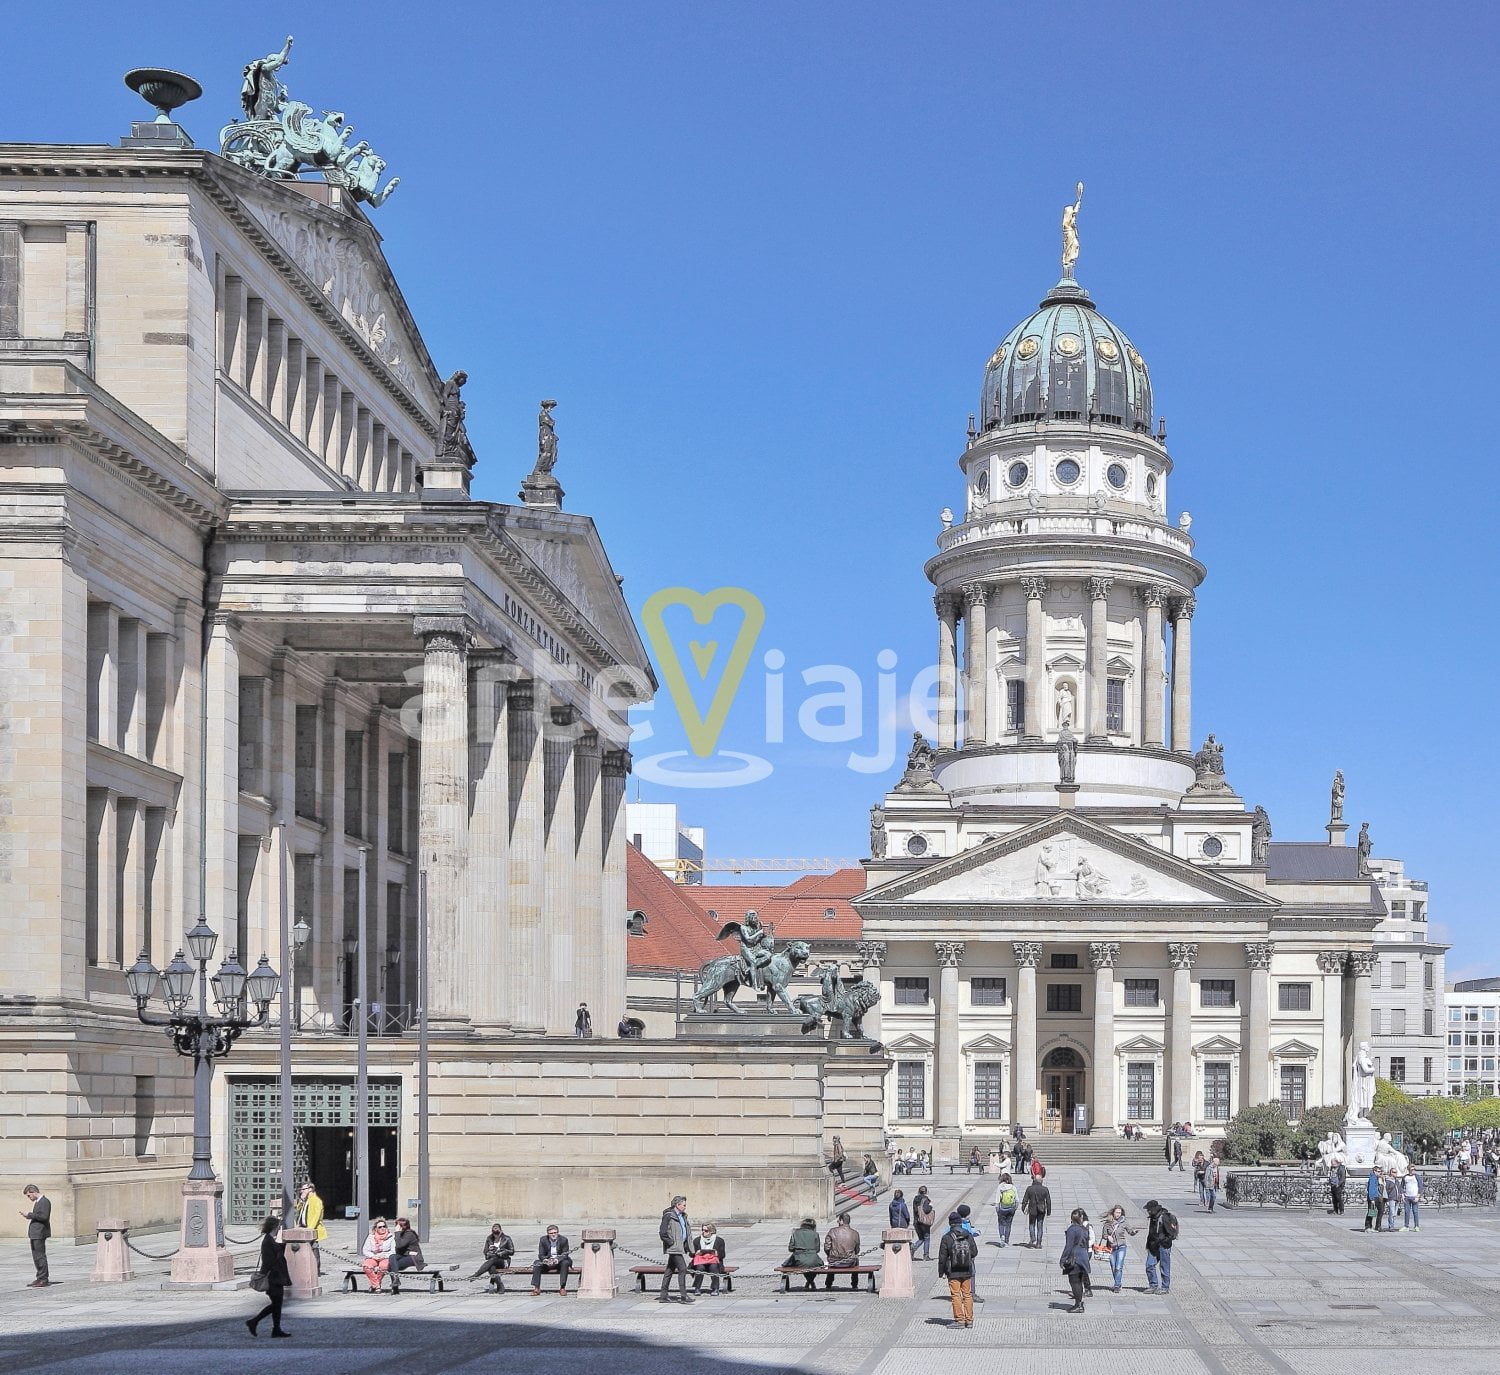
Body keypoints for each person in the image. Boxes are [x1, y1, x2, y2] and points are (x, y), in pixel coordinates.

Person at [246, 1215, 292, 1338]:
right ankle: (254, 1322)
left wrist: (282, 1246)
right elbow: (268, 1261)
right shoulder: (267, 1241)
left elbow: (276, 1252)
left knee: (277, 1304)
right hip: (272, 1278)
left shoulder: (270, 1240)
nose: (279, 1229)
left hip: (276, 1277)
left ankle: (276, 1329)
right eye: (278, 1226)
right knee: (276, 1304)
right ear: (274, 1227)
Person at [937, 1210, 977, 1328]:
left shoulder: (947, 1237)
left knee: (956, 1295)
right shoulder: (968, 1234)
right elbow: (974, 1252)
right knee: (967, 1294)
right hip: (967, 1270)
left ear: (950, 1224)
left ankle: (959, 1320)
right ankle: (969, 1320)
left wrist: (941, 1272)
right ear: (960, 1222)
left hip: (953, 1271)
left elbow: (942, 1257)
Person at [657, 1195, 694, 1303]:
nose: (685, 1207)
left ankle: (663, 1296)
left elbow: (685, 1231)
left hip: (680, 1246)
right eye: (684, 1205)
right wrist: (671, 1242)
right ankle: (683, 1296)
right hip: (674, 1248)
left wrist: (688, 1246)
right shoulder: (669, 1216)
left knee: (669, 1270)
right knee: (683, 1269)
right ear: (677, 1205)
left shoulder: (682, 1216)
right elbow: (663, 1232)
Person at [1060, 1207, 1092, 1313]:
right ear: (1081, 1218)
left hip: (1075, 1257)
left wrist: (1063, 1259)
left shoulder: (1072, 1229)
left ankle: (1078, 1305)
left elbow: (1068, 1246)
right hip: (1083, 1256)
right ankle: (1079, 1303)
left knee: (1074, 1282)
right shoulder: (1084, 1229)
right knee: (1079, 1280)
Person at [1102, 1204, 1138, 1292]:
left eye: (1120, 1213)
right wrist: (1107, 1237)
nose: (1118, 1214)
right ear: (1113, 1212)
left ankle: (1117, 1286)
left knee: (1118, 1267)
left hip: (1122, 1247)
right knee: (1114, 1267)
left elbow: (1130, 1231)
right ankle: (1118, 1283)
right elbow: (1104, 1235)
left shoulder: (1124, 1222)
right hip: (1111, 1248)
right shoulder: (1107, 1223)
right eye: (1117, 1212)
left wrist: (1134, 1232)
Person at [1144, 1199, 1178, 1293]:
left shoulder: (1164, 1217)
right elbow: (1151, 1233)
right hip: (1153, 1246)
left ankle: (1165, 1287)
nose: (1148, 1211)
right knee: (1149, 1265)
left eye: (1149, 1209)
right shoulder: (1153, 1217)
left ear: (1154, 1209)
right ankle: (1153, 1285)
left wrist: (1163, 1242)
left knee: (1164, 1267)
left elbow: (1171, 1234)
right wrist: (1148, 1244)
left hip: (1164, 1246)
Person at [823, 1211, 862, 1289]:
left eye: (838, 1221)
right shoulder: (855, 1233)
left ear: (841, 1221)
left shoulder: (832, 1231)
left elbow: (827, 1248)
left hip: (834, 1262)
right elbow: (857, 1250)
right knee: (856, 1259)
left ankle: (828, 1283)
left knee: (831, 1258)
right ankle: (854, 1284)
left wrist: (830, 1254)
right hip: (849, 1262)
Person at [21, 1186, 50, 1288]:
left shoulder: (44, 1201)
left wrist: (29, 1214)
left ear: (33, 1192)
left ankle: (43, 1279)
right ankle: (39, 1277)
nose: (29, 1198)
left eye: (29, 1195)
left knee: (40, 1256)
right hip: (35, 1233)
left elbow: (44, 1216)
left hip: (40, 1232)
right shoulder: (38, 1202)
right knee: (36, 1256)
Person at [470, 1223, 515, 1288]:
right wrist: (489, 1251)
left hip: (504, 1261)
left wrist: (501, 1250)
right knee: (491, 1268)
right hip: (492, 1260)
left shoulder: (507, 1238)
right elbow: (485, 1251)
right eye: (494, 1234)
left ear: (501, 1231)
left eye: (497, 1234)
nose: (495, 1236)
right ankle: (500, 1285)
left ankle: (476, 1275)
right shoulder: (489, 1239)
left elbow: (512, 1251)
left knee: (493, 1259)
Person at [294, 1182, 327, 1275]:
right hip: (303, 1228)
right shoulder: (306, 1200)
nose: (301, 1191)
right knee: (304, 1250)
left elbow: (316, 1216)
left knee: (314, 1249)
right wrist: (301, 1201)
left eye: (304, 1189)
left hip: (311, 1229)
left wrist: (310, 1229)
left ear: (310, 1189)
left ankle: (316, 1270)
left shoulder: (316, 1200)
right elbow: (298, 1212)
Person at [530, 1223, 572, 1294]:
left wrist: (557, 1260)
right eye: (551, 1233)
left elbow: (565, 1254)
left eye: (555, 1233)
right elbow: (541, 1254)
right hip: (548, 1261)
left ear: (558, 1233)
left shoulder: (563, 1240)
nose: (553, 1235)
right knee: (536, 1263)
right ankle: (536, 1288)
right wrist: (545, 1260)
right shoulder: (543, 1240)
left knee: (565, 1263)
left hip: (559, 1261)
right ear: (548, 1234)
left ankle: (562, 1287)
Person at [689, 1222, 727, 1295]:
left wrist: (717, 1254)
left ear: (712, 1231)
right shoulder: (697, 1240)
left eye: (706, 1231)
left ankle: (715, 1288)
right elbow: (691, 1254)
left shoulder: (719, 1241)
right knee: (699, 1268)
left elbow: (722, 1255)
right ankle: (697, 1288)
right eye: (703, 1230)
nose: (703, 1232)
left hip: (713, 1261)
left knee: (714, 1267)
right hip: (701, 1261)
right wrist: (695, 1253)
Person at [785, 1217, 822, 1289]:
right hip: (813, 1260)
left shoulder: (795, 1233)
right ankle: (810, 1281)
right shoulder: (815, 1234)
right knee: (813, 1264)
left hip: (799, 1260)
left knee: (803, 1263)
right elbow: (817, 1250)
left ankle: (809, 1281)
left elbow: (790, 1248)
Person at [389, 1217, 424, 1292]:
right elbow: (398, 1250)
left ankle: (395, 1285)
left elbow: (399, 1246)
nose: (396, 1227)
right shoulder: (402, 1234)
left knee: (392, 1265)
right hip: (405, 1255)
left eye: (397, 1225)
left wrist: (397, 1233)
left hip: (414, 1258)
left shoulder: (409, 1234)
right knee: (392, 1257)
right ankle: (396, 1281)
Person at [362, 1219, 395, 1292]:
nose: (382, 1228)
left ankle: (375, 1286)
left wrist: (384, 1255)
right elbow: (365, 1250)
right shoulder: (371, 1237)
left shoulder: (391, 1237)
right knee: (367, 1266)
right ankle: (377, 1285)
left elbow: (393, 1251)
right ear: (375, 1229)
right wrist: (373, 1256)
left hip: (385, 1257)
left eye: (384, 1226)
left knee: (383, 1266)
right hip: (373, 1256)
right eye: (380, 1227)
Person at [1022, 1171, 1052, 1248]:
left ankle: (1032, 1238)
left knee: (1031, 1224)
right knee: (1040, 1225)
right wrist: (1049, 1211)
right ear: (1041, 1181)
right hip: (1041, 1210)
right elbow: (1048, 1201)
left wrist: (1023, 1207)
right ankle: (1038, 1243)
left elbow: (1025, 1199)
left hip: (1032, 1209)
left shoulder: (1029, 1188)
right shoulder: (1045, 1189)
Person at [995, 1172, 1019, 1246]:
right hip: (1011, 1208)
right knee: (1008, 1225)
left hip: (1002, 1208)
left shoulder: (1000, 1187)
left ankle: (1002, 1235)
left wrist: (997, 1208)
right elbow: (1017, 1199)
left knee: (1001, 1224)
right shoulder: (1013, 1187)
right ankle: (1006, 1241)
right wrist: (1015, 1208)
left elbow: (997, 1199)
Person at [912, 1186, 936, 1261]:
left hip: (917, 1221)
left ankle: (913, 1249)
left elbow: (916, 1210)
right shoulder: (926, 1200)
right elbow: (926, 1210)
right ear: (926, 1192)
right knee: (926, 1238)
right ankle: (926, 1255)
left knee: (921, 1238)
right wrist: (931, 1206)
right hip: (924, 1223)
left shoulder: (915, 1199)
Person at [1401, 1167, 1421, 1232]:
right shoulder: (1405, 1177)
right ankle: (1406, 1226)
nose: (1412, 1171)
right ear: (1408, 1170)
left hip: (1414, 1196)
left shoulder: (1417, 1177)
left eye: (1414, 1169)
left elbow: (1420, 1186)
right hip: (1407, 1196)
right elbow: (1401, 1186)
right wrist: (1402, 1195)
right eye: (1411, 1170)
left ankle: (1416, 1226)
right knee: (1407, 1212)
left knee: (1415, 1211)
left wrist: (1418, 1196)